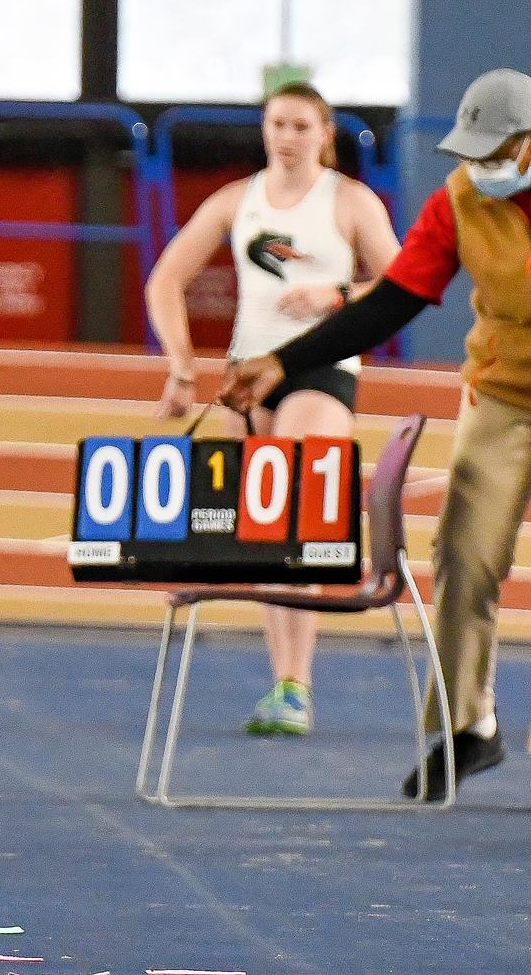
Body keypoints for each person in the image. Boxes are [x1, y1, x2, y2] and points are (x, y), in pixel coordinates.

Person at [223, 67, 531, 799]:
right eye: (473, 153)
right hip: (506, 392)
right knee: (462, 548)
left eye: (496, 154)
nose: (480, 168)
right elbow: (391, 302)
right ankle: (470, 727)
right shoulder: (459, 200)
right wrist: (281, 362)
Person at [145, 84, 400, 737]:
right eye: (276, 124)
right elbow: (165, 279)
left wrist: (336, 293)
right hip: (248, 374)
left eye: (300, 126)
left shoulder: (349, 201)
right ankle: (284, 681)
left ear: (324, 134)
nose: (286, 137)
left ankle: (299, 683)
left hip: (321, 369)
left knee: (295, 509)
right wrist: (181, 365)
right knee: (265, 533)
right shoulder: (239, 200)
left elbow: (405, 283)